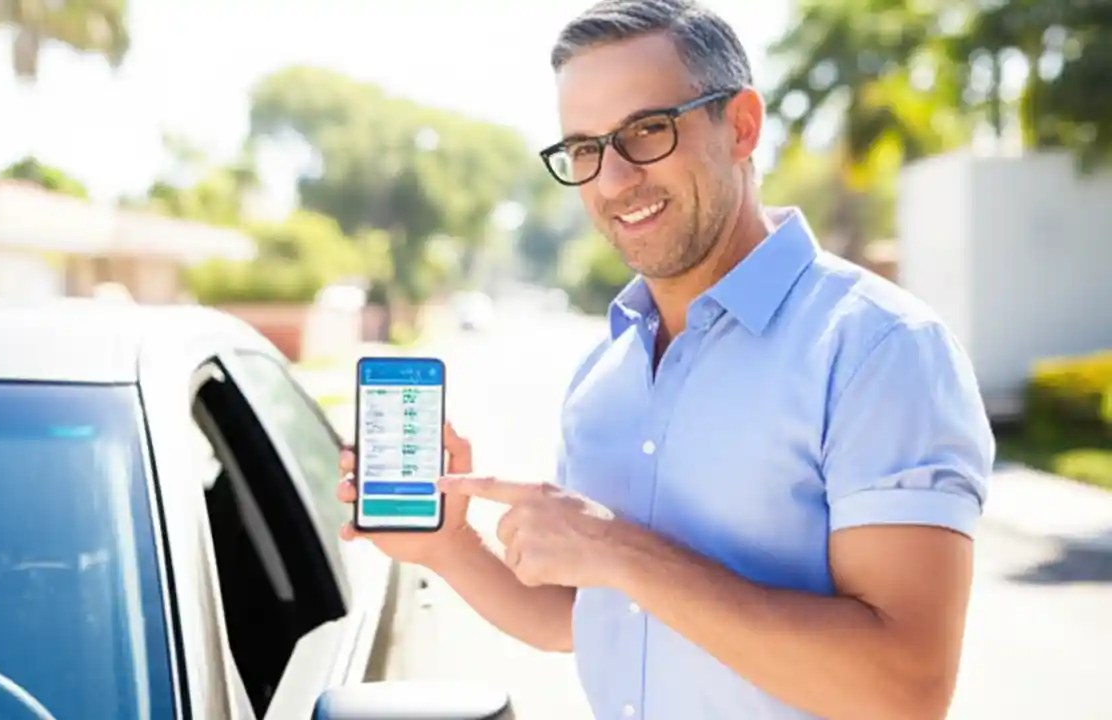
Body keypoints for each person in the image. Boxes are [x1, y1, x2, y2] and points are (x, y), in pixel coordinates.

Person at [337, 0, 994, 717]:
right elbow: (591, 618)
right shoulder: (607, 370)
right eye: (584, 149)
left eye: (646, 131)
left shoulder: (878, 348)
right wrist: (447, 544)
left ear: (740, 126)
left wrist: (619, 550)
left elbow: (904, 689)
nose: (613, 180)